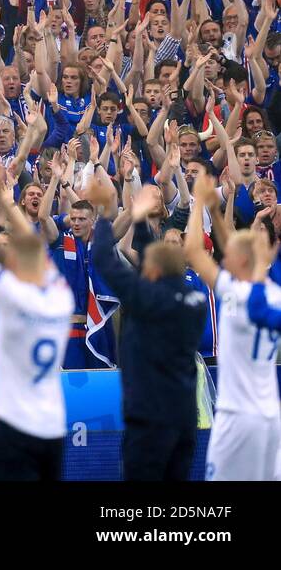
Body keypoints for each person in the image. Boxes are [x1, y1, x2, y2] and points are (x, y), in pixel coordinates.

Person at [0, 149, 74, 481]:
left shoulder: (11, 295)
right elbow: (34, 248)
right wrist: (9, 204)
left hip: (13, 423)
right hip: (52, 424)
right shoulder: (60, 298)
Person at [87, 178, 208, 481]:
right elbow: (154, 261)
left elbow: (102, 257)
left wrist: (104, 212)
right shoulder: (195, 299)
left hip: (148, 418)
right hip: (183, 417)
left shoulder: (145, 297)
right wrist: (139, 219)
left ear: (150, 271)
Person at [183, 173, 281, 481]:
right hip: (269, 414)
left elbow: (194, 252)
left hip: (236, 416)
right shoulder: (276, 296)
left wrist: (200, 203)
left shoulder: (234, 291)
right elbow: (240, 251)